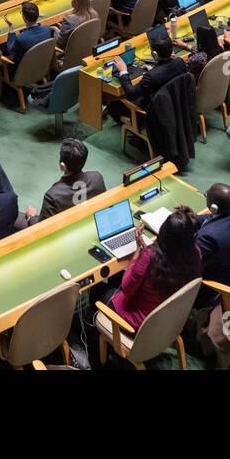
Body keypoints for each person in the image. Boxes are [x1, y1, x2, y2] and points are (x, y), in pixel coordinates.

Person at [101, 204, 201, 332]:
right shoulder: (196, 253)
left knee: (99, 291)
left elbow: (126, 287)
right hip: (169, 322)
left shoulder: (150, 257)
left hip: (139, 325)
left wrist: (138, 251)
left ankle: (101, 343)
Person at [22, 139, 106, 225]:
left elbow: (42, 229)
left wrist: (30, 217)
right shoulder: (97, 178)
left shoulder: (53, 196)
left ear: (63, 166)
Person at [111, 33, 188, 111]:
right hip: (177, 105)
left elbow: (131, 94)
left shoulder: (151, 76)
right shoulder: (180, 62)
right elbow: (166, 73)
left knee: (113, 105)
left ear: (155, 54)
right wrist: (154, 70)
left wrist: (123, 71)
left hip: (155, 113)